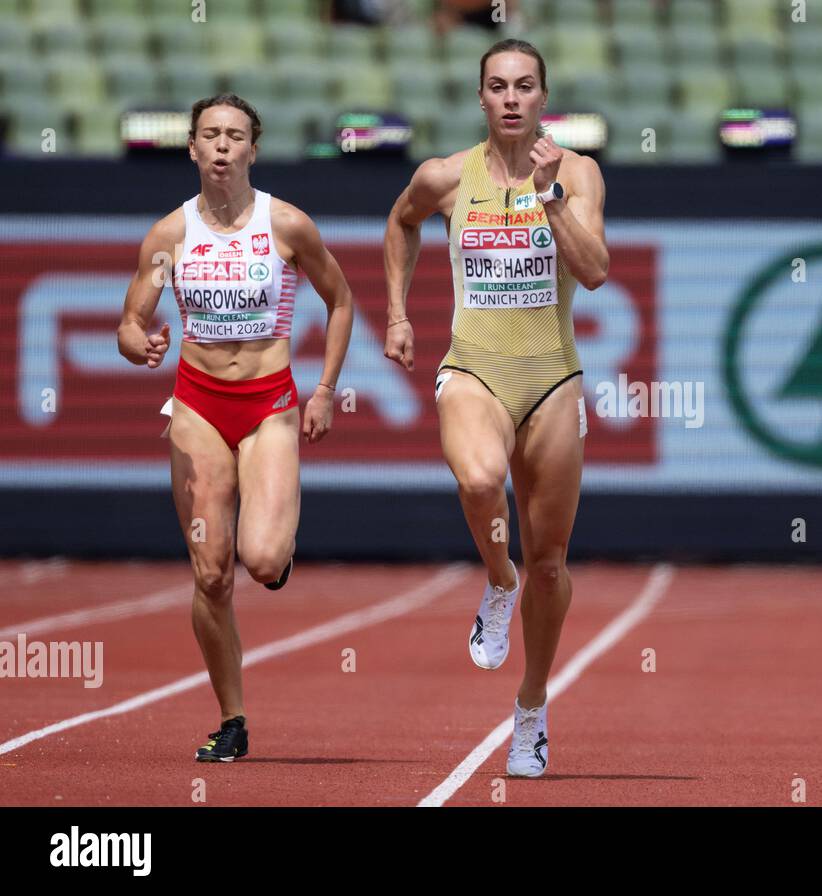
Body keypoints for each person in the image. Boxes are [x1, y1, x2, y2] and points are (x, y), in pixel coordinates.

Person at [382, 39, 607, 776]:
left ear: (544, 97)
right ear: (480, 98)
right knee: (480, 483)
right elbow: (401, 223)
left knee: (551, 563)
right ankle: (496, 580)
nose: (511, 98)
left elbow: (597, 272)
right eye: (497, 87)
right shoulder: (445, 177)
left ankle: (532, 710)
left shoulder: (576, 173)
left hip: (552, 377)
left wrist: (549, 197)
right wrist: (397, 312)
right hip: (473, 365)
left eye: (525, 86)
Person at [117, 94, 354, 760]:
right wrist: (137, 342)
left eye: (236, 135)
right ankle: (232, 719)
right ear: (192, 148)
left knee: (263, 560)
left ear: (253, 147)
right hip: (195, 407)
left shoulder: (287, 226)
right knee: (212, 574)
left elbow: (340, 302)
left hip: (269, 407)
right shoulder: (169, 236)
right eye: (211, 135)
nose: (222, 146)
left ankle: (274, 555)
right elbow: (130, 322)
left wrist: (327, 389)